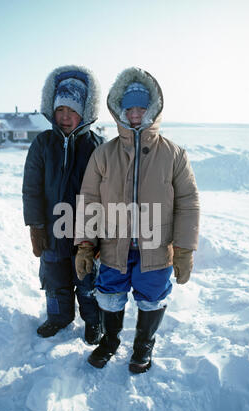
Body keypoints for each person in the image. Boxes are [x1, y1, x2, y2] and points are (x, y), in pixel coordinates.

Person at [74, 67, 200, 373]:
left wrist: (183, 249)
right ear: (119, 110)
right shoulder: (104, 154)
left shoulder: (174, 155)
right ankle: (110, 341)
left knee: (152, 298)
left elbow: (188, 203)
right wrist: (86, 245)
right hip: (114, 247)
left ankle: (144, 345)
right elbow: (90, 200)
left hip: (156, 250)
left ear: (153, 109)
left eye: (140, 107)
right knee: (109, 296)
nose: (134, 114)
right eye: (128, 108)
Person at [22, 65, 104, 344]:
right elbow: (31, 189)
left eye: (72, 110)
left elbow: (106, 195)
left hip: (86, 233)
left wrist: (99, 238)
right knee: (55, 281)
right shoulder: (43, 144)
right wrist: (35, 225)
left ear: (85, 111)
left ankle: (94, 322)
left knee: (87, 282)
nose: (65, 117)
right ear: (51, 110)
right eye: (60, 110)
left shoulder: (97, 146)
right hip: (53, 230)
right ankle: (58, 317)